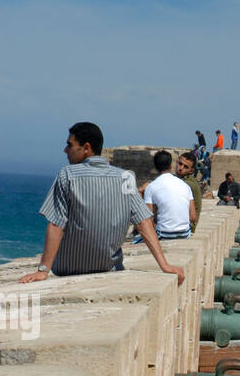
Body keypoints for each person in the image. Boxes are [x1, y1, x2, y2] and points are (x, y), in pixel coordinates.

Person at [20, 122, 184, 285]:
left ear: (86, 148)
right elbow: (143, 222)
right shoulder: (125, 177)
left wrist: (42, 270)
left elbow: (56, 225)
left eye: (70, 145)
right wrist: (164, 265)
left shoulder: (67, 175)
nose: (65, 150)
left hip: (69, 270)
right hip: (110, 268)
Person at [144, 150, 195, 240]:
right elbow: (193, 217)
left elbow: (148, 219)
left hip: (164, 234)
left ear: (155, 168)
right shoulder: (186, 186)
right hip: (185, 233)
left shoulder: (151, 187)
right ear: (170, 166)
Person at [176, 152, 203, 232]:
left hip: (188, 226)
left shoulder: (187, 184)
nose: (181, 168)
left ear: (191, 171)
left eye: (185, 167)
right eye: (180, 164)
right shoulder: (182, 179)